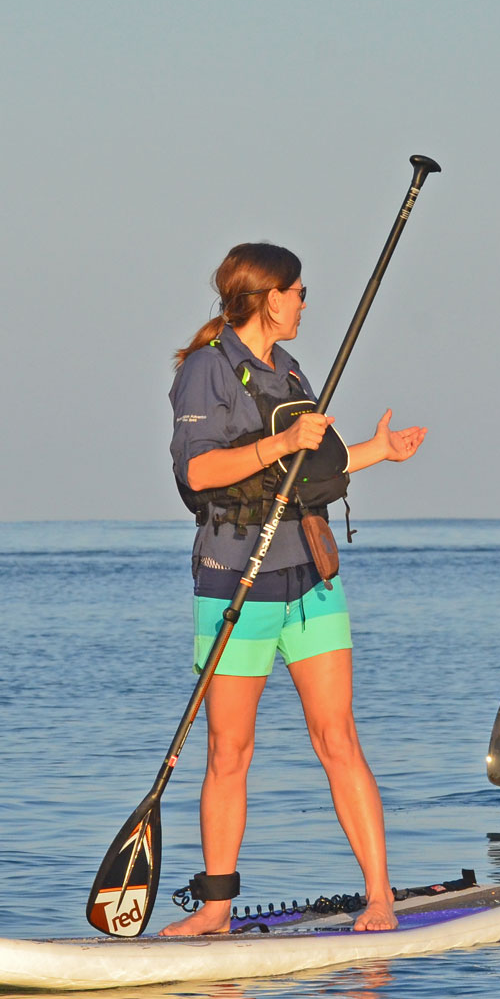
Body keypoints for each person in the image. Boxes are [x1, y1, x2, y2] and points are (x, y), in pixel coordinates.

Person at [164, 242, 427, 934]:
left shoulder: (290, 369)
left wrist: (378, 452)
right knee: (230, 750)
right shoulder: (206, 369)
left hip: (311, 577)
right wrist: (281, 444)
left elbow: (308, 471)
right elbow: (198, 472)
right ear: (270, 296)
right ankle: (215, 908)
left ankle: (380, 895)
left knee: (338, 736)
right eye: (300, 292)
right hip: (234, 579)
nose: (307, 303)